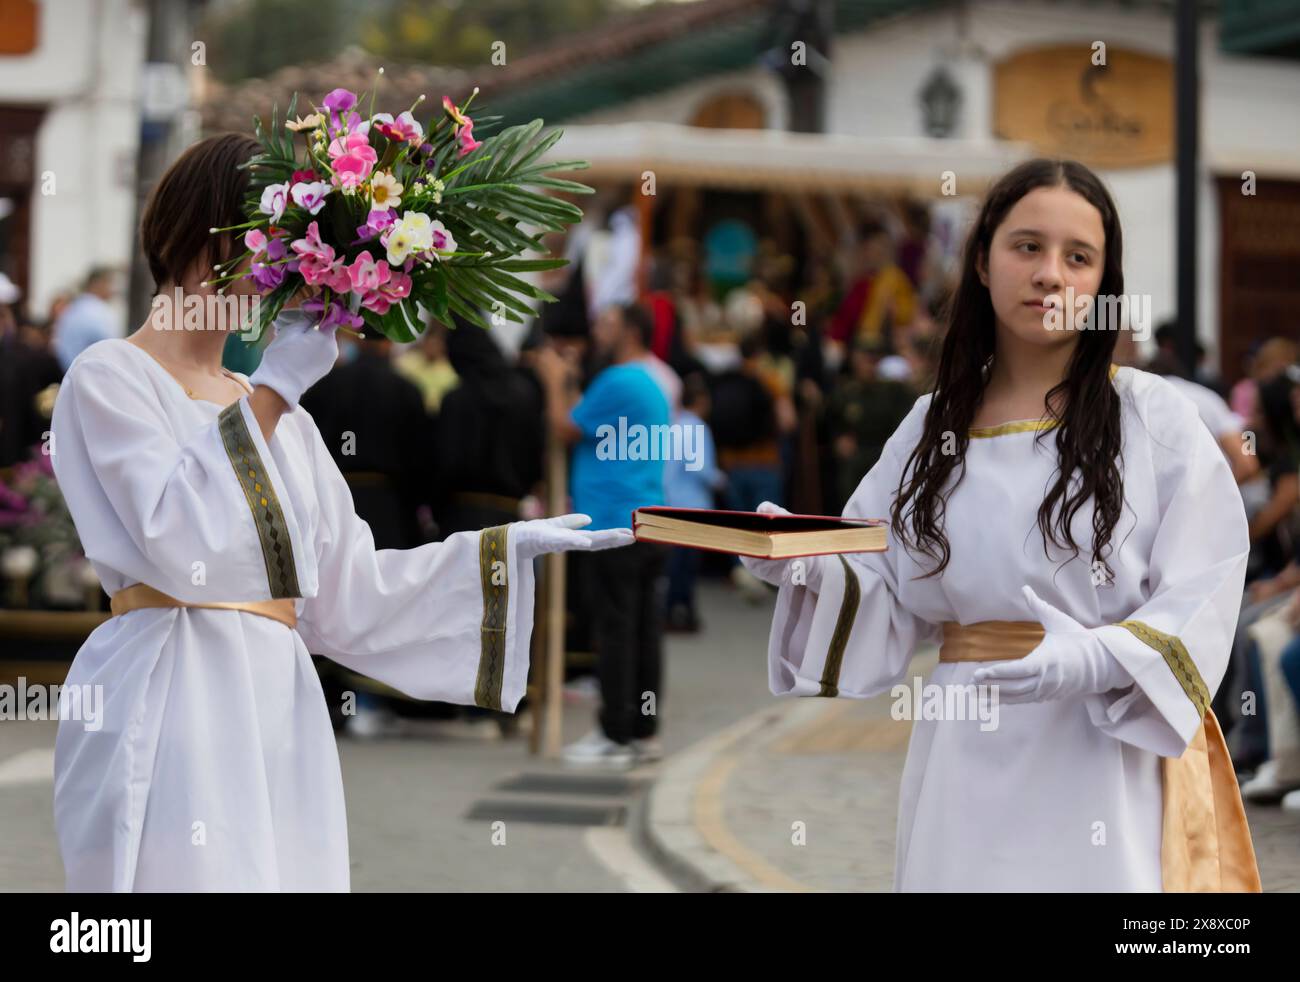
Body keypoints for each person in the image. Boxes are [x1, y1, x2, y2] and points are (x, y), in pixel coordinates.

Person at [47, 133, 632, 892]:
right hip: (171, 694)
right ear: (186, 237)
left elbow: (347, 594)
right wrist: (274, 389)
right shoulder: (112, 376)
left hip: (278, 710)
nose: (261, 279)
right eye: (250, 248)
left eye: (275, 258)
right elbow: (177, 540)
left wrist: (500, 552)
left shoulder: (280, 412)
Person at [742, 158, 1260, 891]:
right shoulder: (929, 430)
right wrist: (802, 563)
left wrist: (1092, 660)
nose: (1051, 274)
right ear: (983, 261)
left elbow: (1206, 584)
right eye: (1027, 247)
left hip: (1101, 748)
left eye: (1077, 257)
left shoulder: (1150, 417)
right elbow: (881, 580)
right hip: (964, 747)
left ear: (1100, 285)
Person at [537, 302, 669, 770]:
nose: (598, 332)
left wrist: (553, 378)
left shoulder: (620, 380)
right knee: (641, 630)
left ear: (630, 331)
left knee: (615, 630)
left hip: (615, 522)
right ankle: (641, 729)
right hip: (644, 519)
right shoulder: (647, 383)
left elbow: (564, 426)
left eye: (607, 325)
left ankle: (615, 731)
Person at [52, 265, 122, 372]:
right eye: (110, 283)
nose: (114, 289)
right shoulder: (98, 311)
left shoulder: (75, 308)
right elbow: (111, 349)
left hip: (69, 373)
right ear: (98, 284)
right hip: (91, 375)